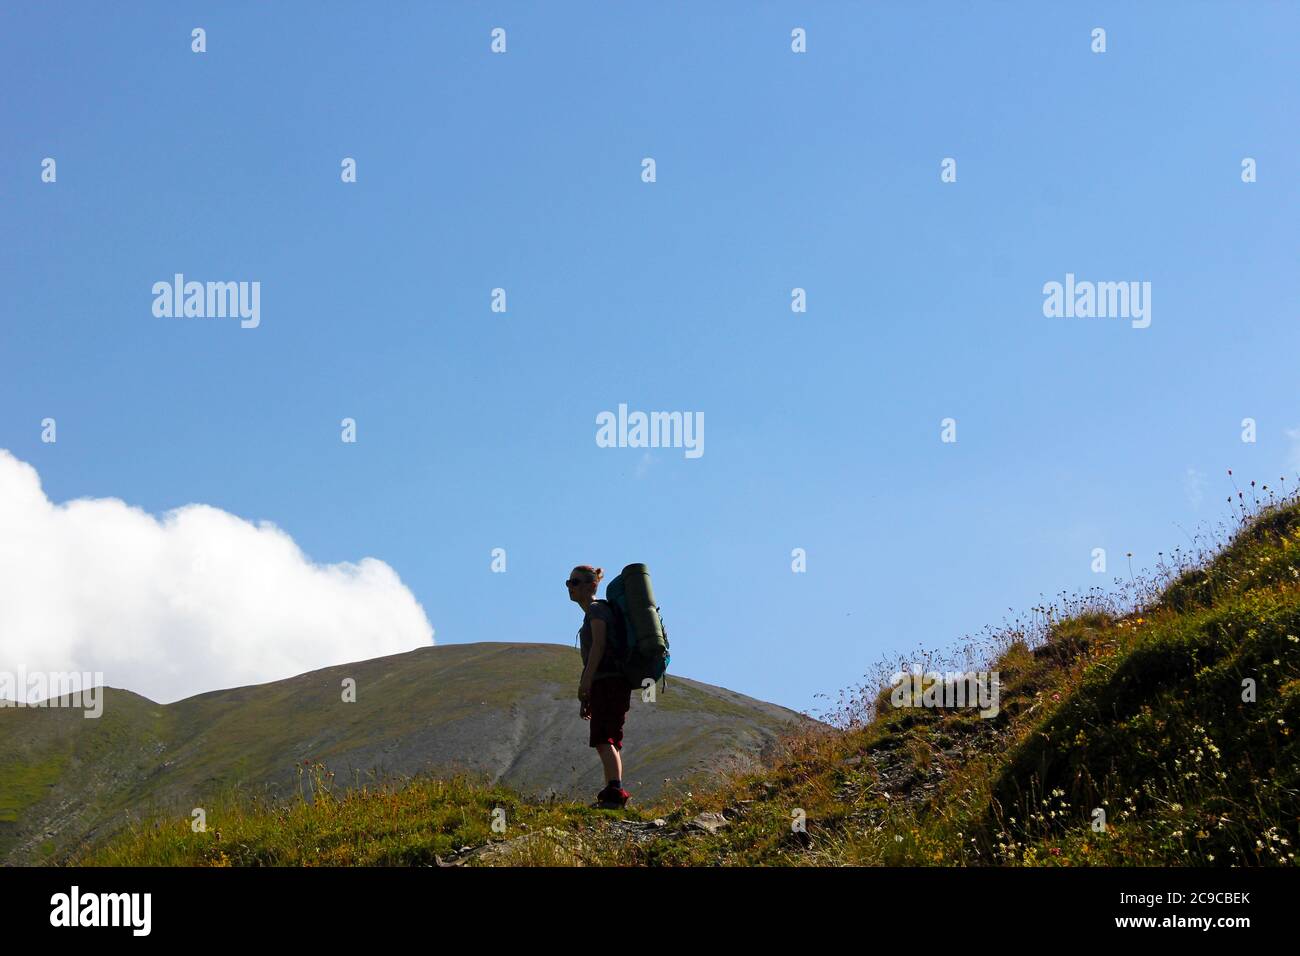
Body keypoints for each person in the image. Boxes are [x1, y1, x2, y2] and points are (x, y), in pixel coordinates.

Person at [567, 565, 632, 808]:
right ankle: (612, 793)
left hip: (608, 681)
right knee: (609, 737)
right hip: (609, 681)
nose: (570, 587)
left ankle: (615, 793)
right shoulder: (596, 611)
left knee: (604, 738)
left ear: (591, 585)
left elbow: (599, 645)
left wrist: (586, 680)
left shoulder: (597, 610)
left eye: (575, 582)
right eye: (569, 582)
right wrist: (588, 695)